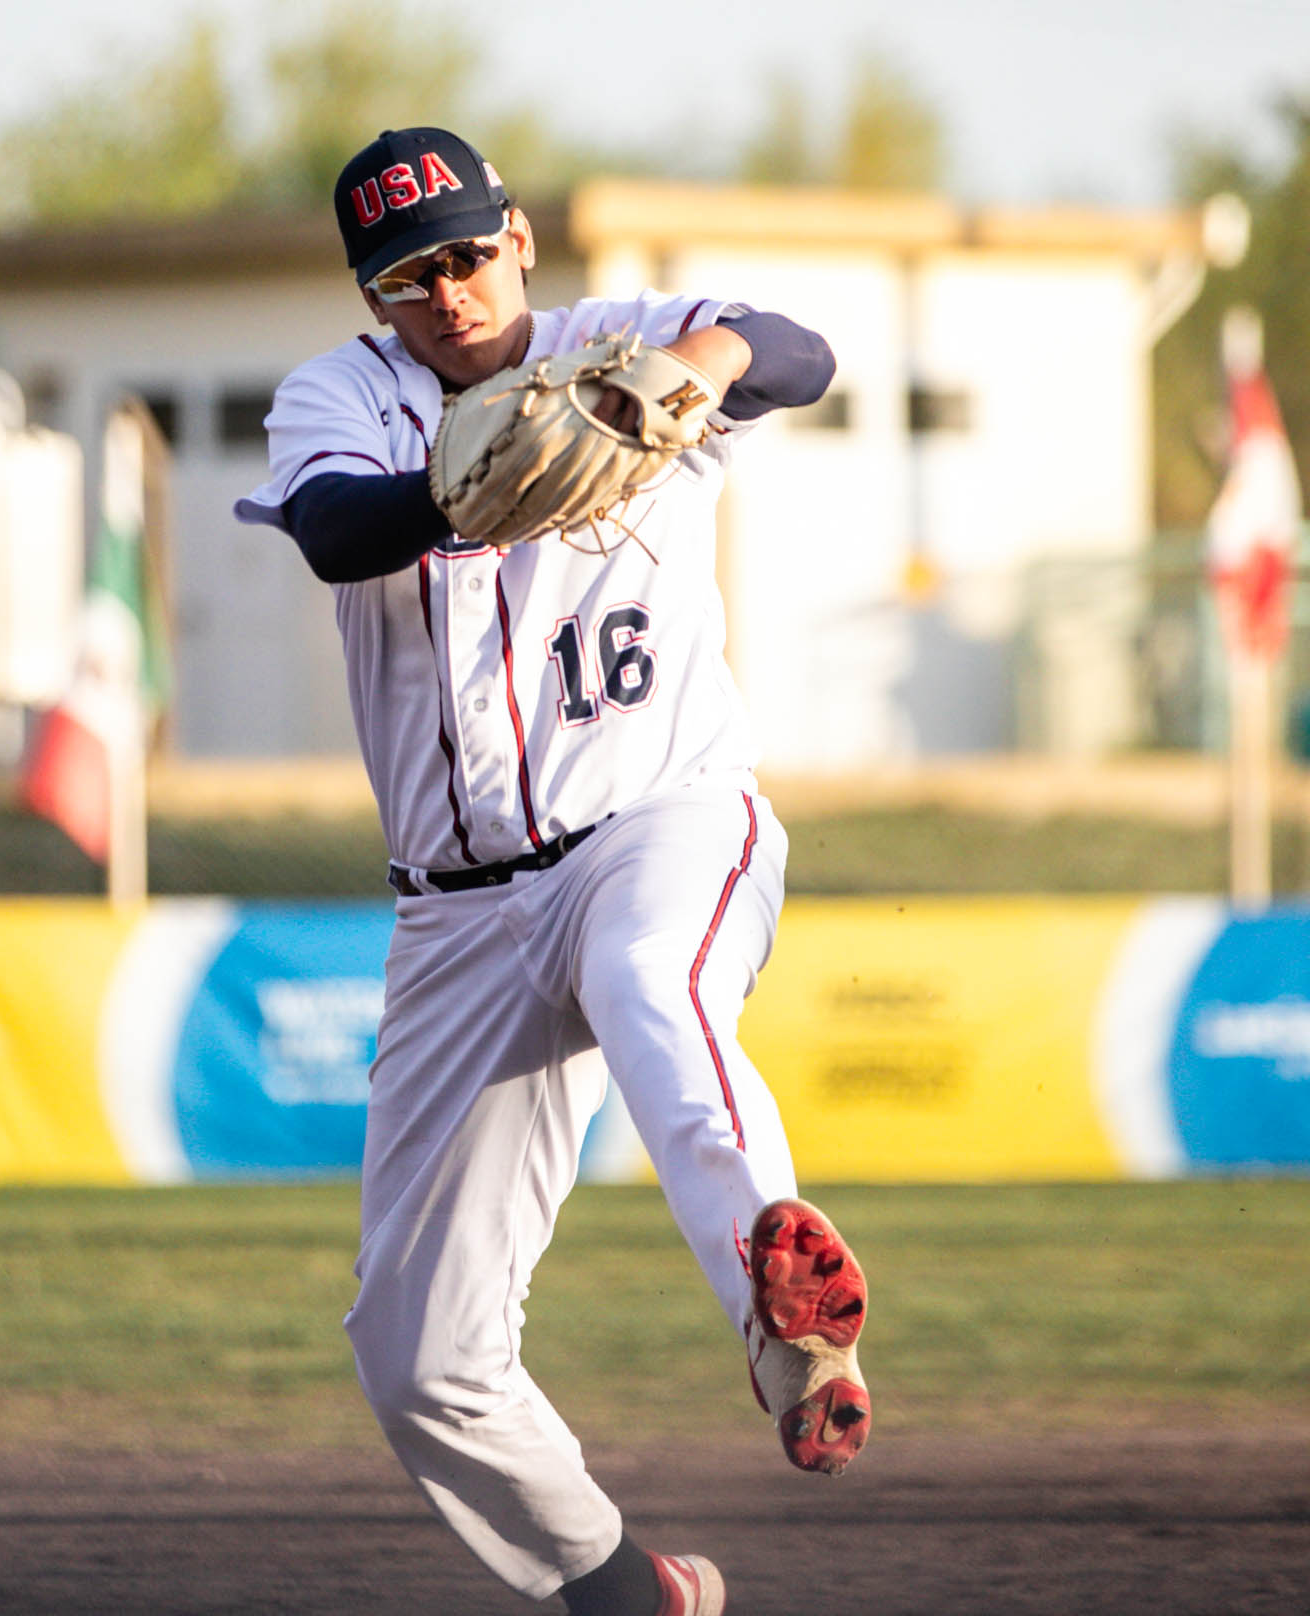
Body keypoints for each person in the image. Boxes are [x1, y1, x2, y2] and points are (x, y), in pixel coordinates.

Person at [235, 128, 870, 1616]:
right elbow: (332, 532)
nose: (443, 292)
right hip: (455, 914)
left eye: (462, 253)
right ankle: (616, 1588)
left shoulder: (618, 341)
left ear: (515, 236)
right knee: (414, 1356)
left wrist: (704, 362)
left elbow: (803, 352)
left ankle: (788, 1327)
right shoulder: (339, 397)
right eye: (405, 276)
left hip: (658, 823)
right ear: (370, 294)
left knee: (654, 980)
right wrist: (471, 489)